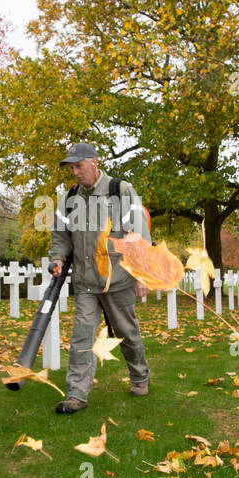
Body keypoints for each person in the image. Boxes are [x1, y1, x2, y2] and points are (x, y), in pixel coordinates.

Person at [48, 142, 151, 414]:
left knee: (127, 333)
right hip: (86, 283)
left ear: (94, 162)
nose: (75, 173)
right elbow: (60, 235)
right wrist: (57, 258)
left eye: (79, 166)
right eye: (72, 168)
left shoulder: (120, 190)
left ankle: (140, 377)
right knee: (81, 336)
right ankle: (76, 394)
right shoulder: (70, 198)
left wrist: (141, 275)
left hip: (118, 280)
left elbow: (138, 234)